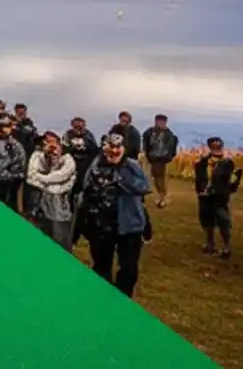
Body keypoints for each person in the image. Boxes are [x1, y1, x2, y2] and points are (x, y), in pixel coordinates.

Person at [75, 134, 150, 297]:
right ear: (104, 147)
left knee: (129, 267)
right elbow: (85, 187)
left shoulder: (132, 165)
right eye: (111, 147)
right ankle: (103, 296)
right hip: (101, 223)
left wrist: (120, 178)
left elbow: (144, 186)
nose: (114, 151)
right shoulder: (96, 164)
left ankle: (123, 297)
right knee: (101, 265)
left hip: (128, 225)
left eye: (118, 148)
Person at [194, 137, 243, 259]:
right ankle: (210, 243)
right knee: (207, 220)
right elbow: (199, 178)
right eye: (214, 146)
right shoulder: (202, 162)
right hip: (205, 196)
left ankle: (227, 246)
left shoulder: (228, 163)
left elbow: (232, 181)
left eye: (218, 146)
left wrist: (227, 190)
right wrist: (201, 190)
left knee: (223, 220)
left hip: (219, 196)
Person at [26, 131, 76, 249]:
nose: (50, 146)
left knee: (60, 241)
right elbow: (30, 177)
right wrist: (45, 181)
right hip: (38, 205)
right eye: (47, 142)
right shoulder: (37, 156)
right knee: (39, 240)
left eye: (53, 142)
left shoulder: (67, 160)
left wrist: (41, 179)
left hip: (59, 208)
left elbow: (60, 180)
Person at [142, 114, 179, 208]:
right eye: (159, 121)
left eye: (163, 122)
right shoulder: (149, 132)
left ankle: (163, 197)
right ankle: (162, 196)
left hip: (162, 159)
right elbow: (145, 143)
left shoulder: (169, 134)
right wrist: (147, 154)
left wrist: (168, 157)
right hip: (152, 157)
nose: (161, 123)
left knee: (160, 178)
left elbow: (172, 147)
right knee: (155, 177)